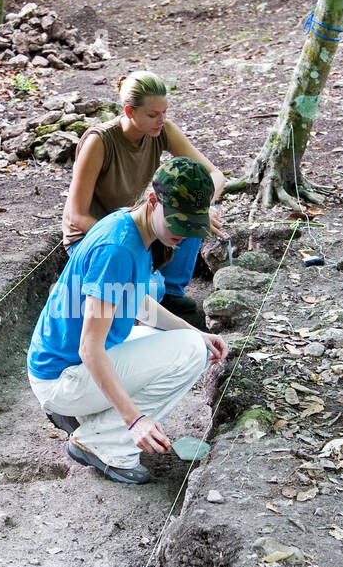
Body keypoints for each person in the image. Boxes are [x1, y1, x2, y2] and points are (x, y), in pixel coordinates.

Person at [28, 157, 228, 485]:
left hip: (69, 365)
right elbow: (90, 348)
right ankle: (105, 444)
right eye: (179, 222)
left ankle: (88, 416)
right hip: (63, 375)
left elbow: (138, 303)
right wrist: (134, 421)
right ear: (153, 201)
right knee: (188, 351)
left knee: (191, 344)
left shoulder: (134, 229)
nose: (184, 234)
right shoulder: (118, 249)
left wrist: (197, 332)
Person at [61, 71, 227, 324]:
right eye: (152, 115)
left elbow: (214, 175)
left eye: (164, 112)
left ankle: (172, 292)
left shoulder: (162, 131)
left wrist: (203, 206)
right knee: (149, 292)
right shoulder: (99, 142)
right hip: (98, 236)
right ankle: (152, 301)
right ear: (129, 112)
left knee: (196, 206)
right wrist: (130, 245)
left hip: (139, 227)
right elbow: (77, 215)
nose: (161, 120)